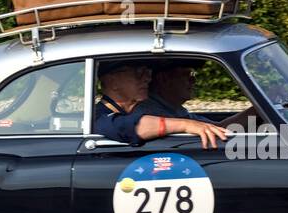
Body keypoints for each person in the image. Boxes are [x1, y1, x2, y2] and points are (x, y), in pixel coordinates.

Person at [94, 61, 230, 148]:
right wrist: (185, 125)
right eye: (138, 73)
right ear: (112, 82)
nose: (147, 78)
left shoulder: (137, 110)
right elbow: (129, 126)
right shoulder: (98, 116)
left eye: (147, 73)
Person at [137, 59, 259, 128]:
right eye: (186, 75)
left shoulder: (172, 109)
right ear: (163, 79)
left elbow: (218, 127)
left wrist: (258, 109)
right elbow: (219, 130)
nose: (193, 80)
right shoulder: (154, 112)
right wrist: (259, 109)